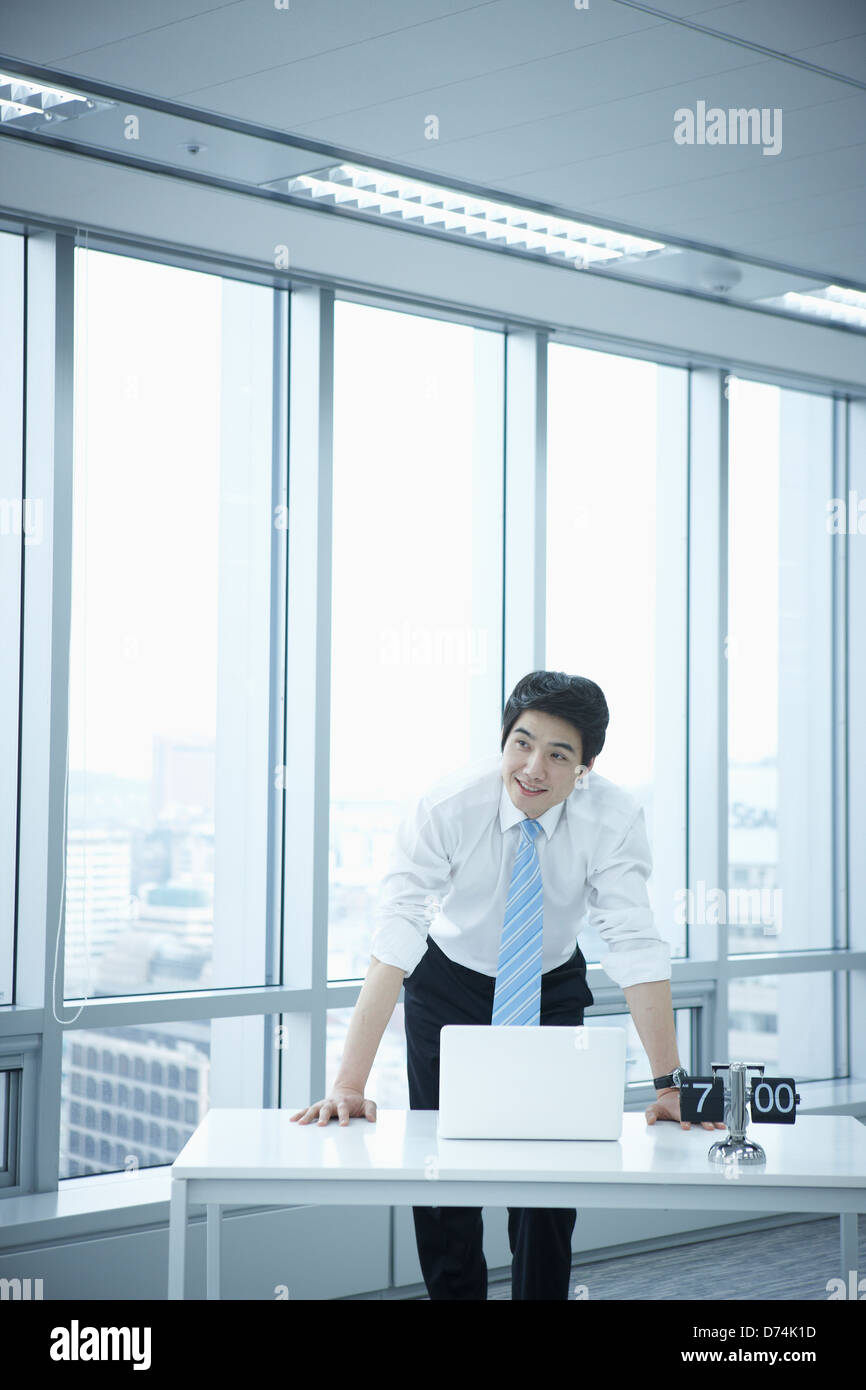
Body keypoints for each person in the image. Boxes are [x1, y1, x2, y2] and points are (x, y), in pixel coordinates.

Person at [291, 669, 725, 1299]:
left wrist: (670, 1085)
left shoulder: (614, 818)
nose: (533, 768)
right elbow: (396, 938)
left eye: (558, 754)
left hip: (550, 983)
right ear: (503, 740)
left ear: (586, 767)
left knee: (551, 1179)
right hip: (449, 984)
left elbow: (634, 944)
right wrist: (349, 1084)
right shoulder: (448, 807)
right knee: (443, 1175)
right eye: (521, 743)